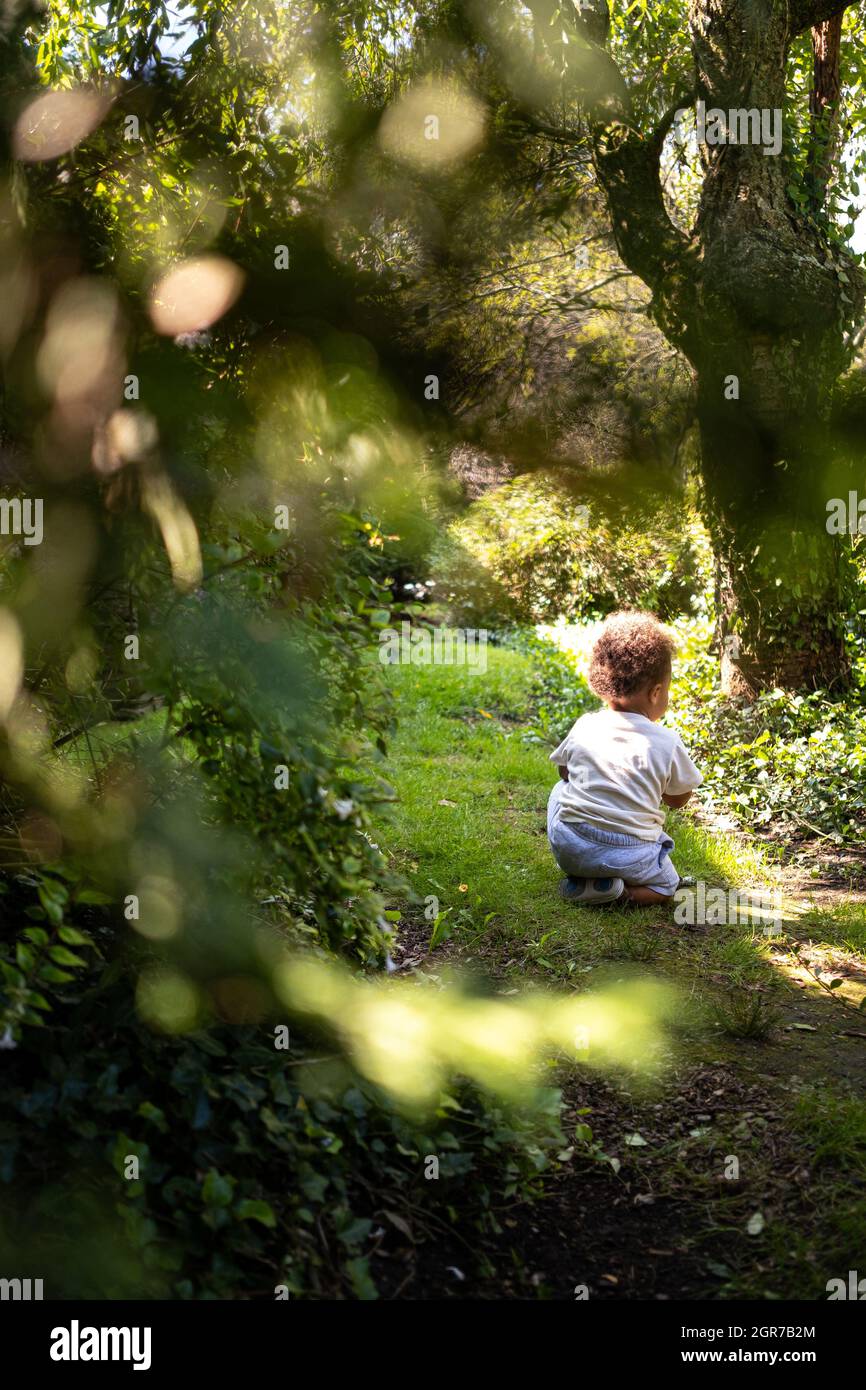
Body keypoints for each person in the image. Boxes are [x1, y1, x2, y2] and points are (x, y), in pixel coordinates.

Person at [548, 611, 702, 906]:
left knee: (560, 792)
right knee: (668, 886)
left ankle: (587, 881)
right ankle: (621, 893)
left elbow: (564, 772)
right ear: (656, 692)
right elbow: (678, 799)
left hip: (572, 849)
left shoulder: (586, 725)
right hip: (631, 855)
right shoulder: (666, 742)